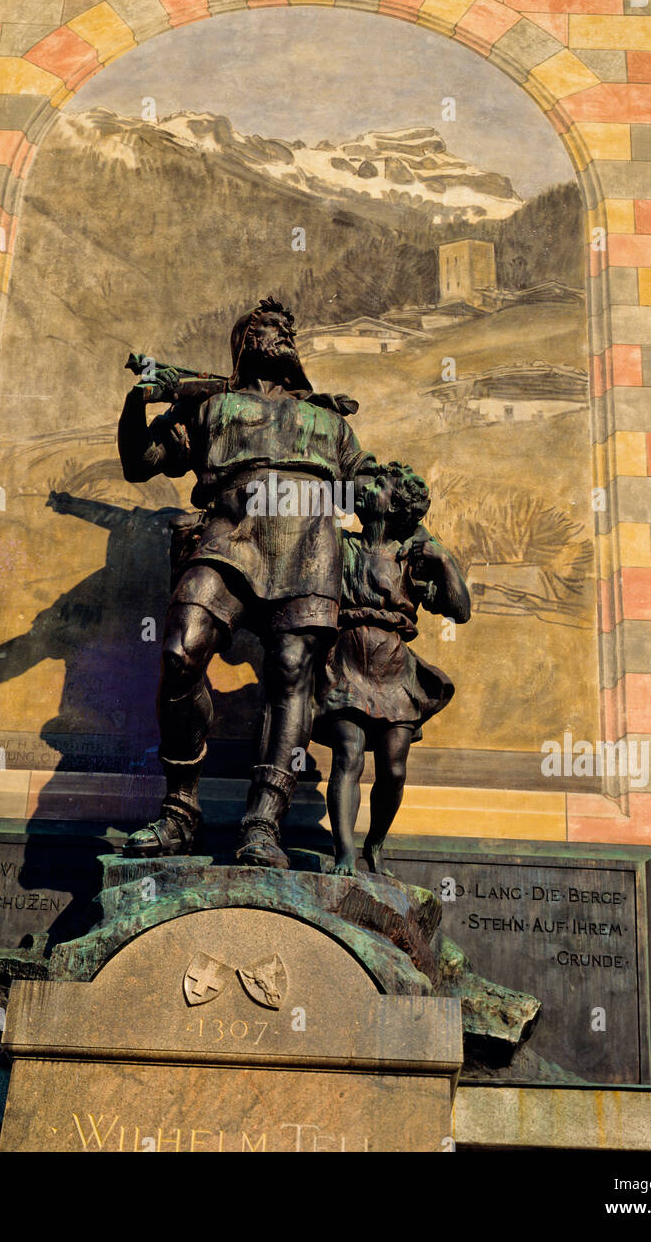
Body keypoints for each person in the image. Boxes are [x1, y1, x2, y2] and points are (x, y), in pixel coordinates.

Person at [117, 297, 377, 868]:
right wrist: (142, 397)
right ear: (245, 341)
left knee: (291, 674)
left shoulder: (330, 421)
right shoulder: (213, 406)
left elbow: (369, 489)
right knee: (181, 651)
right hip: (229, 531)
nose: (282, 334)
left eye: (287, 329)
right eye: (269, 328)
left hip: (309, 542)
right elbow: (141, 461)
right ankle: (180, 813)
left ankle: (262, 824)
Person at [314, 463, 471, 875]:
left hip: (394, 667)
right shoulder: (340, 544)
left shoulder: (410, 559)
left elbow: (461, 611)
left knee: (394, 767)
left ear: (394, 507)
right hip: (346, 661)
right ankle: (345, 851)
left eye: (380, 486)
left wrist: (445, 561)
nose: (369, 488)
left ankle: (375, 844)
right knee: (348, 754)